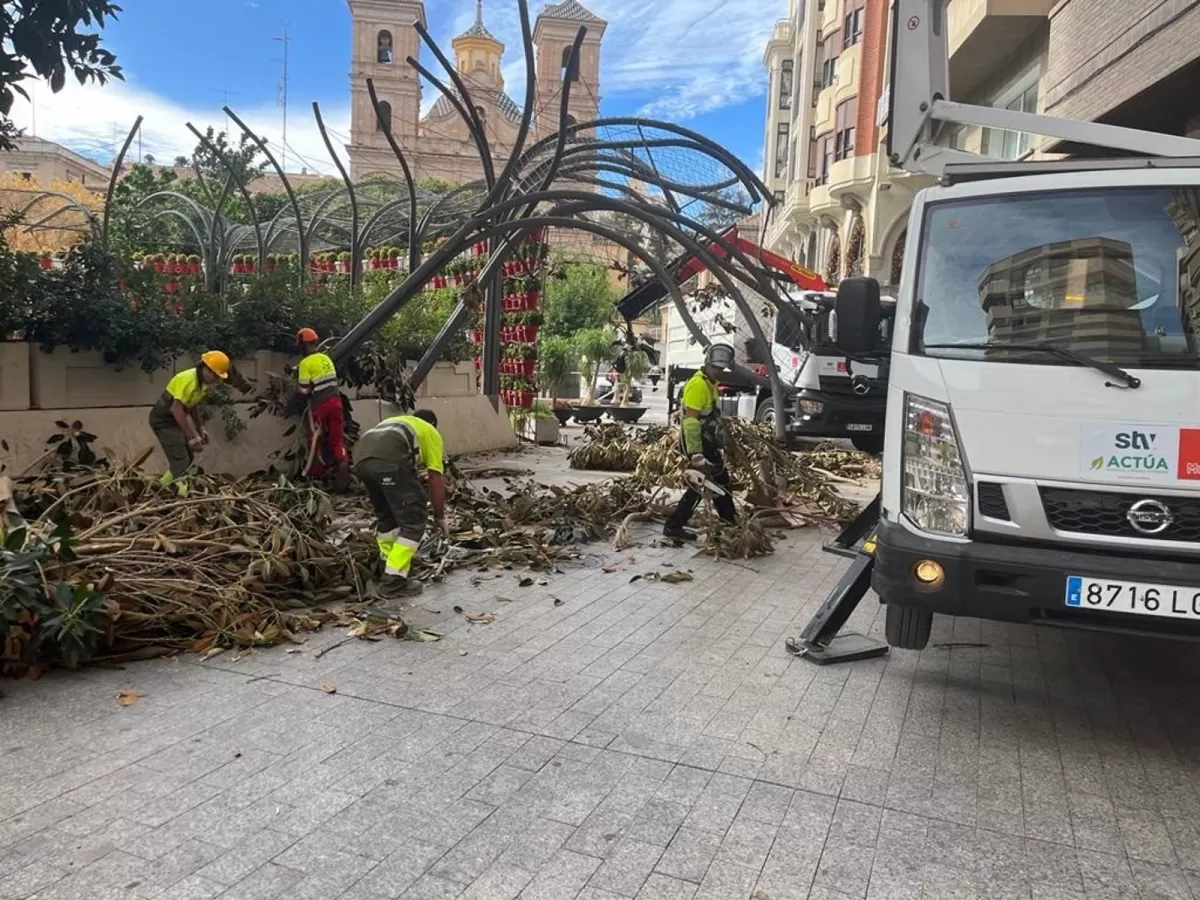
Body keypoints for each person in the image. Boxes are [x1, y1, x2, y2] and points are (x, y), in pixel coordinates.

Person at [352, 409, 448, 599]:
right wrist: (439, 516)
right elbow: (435, 478)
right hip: (389, 461)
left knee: (388, 518)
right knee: (414, 519)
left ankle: (386, 565)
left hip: (361, 460)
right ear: (433, 424)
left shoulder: (398, 422)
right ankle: (394, 581)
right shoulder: (430, 432)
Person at [663, 343, 737, 541]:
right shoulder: (698, 385)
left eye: (721, 369)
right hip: (696, 442)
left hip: (707, 441)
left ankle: (730, 520)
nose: (719, 372)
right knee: (699, 485)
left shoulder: (710, 384)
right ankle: (673, 526)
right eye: (716, 368)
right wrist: (696, 454)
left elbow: (712, 417)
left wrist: (723, 439)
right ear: (707, 364)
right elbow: (691, 422)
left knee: (720, 480)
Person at [148, 350, 230, 489]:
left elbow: (192, 406)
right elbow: (176, 409)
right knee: (181, 461)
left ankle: (161, 487)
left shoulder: (201, 383)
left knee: (188, 459)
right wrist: (192, 438)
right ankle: (180, 498)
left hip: (173, 421)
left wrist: (201, 428)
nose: (217, 380)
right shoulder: (189, 380)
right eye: (216, 376)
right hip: (163, 422)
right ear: (207, 369)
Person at [294, 327, 349, 491]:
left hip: (321, 405)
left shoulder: (305, 363)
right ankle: (343, 473)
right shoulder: (326, 358)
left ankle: (315, 478)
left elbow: (304, 390)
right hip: (336, 403)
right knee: (337, 440)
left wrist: (297, 389)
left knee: (315, 439)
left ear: (302, 346)